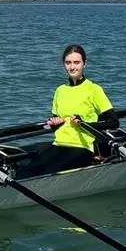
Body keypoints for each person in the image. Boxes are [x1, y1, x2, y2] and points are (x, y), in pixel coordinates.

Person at [16, 44, 115, 178]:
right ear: (64, 64)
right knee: (25, 172)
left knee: (44, 173)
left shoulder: (94, 90)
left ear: (84, 64)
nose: (72, 67)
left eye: (76, 62)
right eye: (68, 63)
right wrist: (56, 124)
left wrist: (83, 123)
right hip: (59, 145)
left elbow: (113, 122)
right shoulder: (60, 91)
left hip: (81, 148)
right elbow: (56, 128)